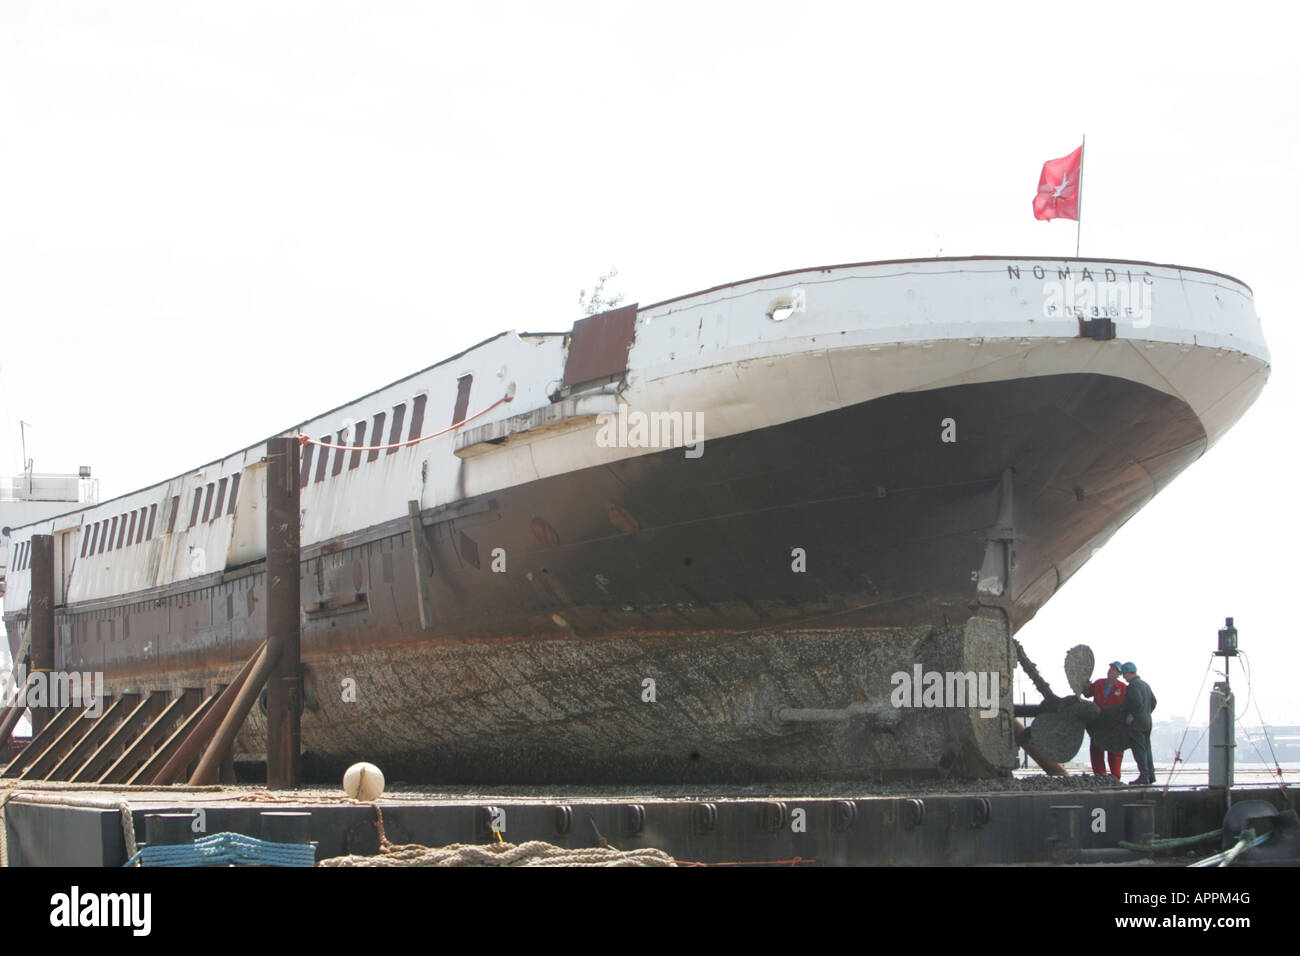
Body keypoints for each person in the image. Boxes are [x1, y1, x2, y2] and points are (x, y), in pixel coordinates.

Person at [1082, 661, 1127, 778]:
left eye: (1113, 670)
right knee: (1096, 749)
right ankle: (1100, 775)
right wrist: (1083, 681)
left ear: (1118, 673)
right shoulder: (1099, 683)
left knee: (1115, 751)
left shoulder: (1122, 688)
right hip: (1098, 722)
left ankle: (1115, 776)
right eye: (1110, 669)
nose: (1110, 671)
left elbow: (1128, 704)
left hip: (1114, 725)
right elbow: (1087, 693)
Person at [1121, 662, 1158, 785]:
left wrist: (1133, 715)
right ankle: (1150, 775)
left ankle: (1143, 776)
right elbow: (1153, 701)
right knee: (1147, 749)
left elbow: (1137, 702)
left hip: (1137, 723)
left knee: (1139, 750)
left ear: (1128, 672)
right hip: (1147, 721)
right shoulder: (1145, 685)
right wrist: (1146, 713)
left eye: (1124, 674)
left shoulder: (1133, 686)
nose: (1123, 677)